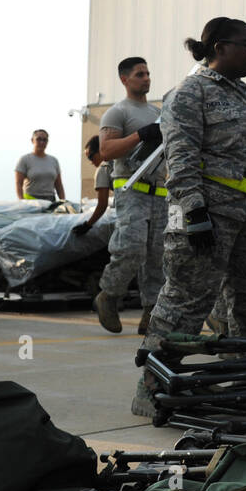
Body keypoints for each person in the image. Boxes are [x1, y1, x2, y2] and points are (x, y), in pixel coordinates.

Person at [133, 18, 246, 416]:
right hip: (209, 215)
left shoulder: (245, 98)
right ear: (220, 47)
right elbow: (181, 156)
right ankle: (152, 387)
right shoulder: (189, 93)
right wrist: (193, 211)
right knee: (185, 303)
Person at [93, 57, 166, 336]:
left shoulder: (158, 112)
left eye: (148, 73)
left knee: (157, 255)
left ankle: (152, 312)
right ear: (124, 79)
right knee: (132, 247)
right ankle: (108, 296)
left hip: (159, 193)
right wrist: (139, 135)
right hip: (131, 190)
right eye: (139, 74)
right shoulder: (117, 112)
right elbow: (107, 150)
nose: (146, 78)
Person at [72, 135, 112, 236]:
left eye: (91, 157)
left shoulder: (103, 169)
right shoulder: (119, 161)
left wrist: (87, 225)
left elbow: (102, 205)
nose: (91, 162)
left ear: (100, 150)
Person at [14, 130, 65, 201]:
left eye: (45, 140)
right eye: (38, 139)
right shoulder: (25, 159)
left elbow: (59, 185)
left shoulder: (53, 160)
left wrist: (63, 201)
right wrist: (22, 201)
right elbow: (18, 183)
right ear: (32, 140)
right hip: (31, 201)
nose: (42, 142)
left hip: (50, 201)